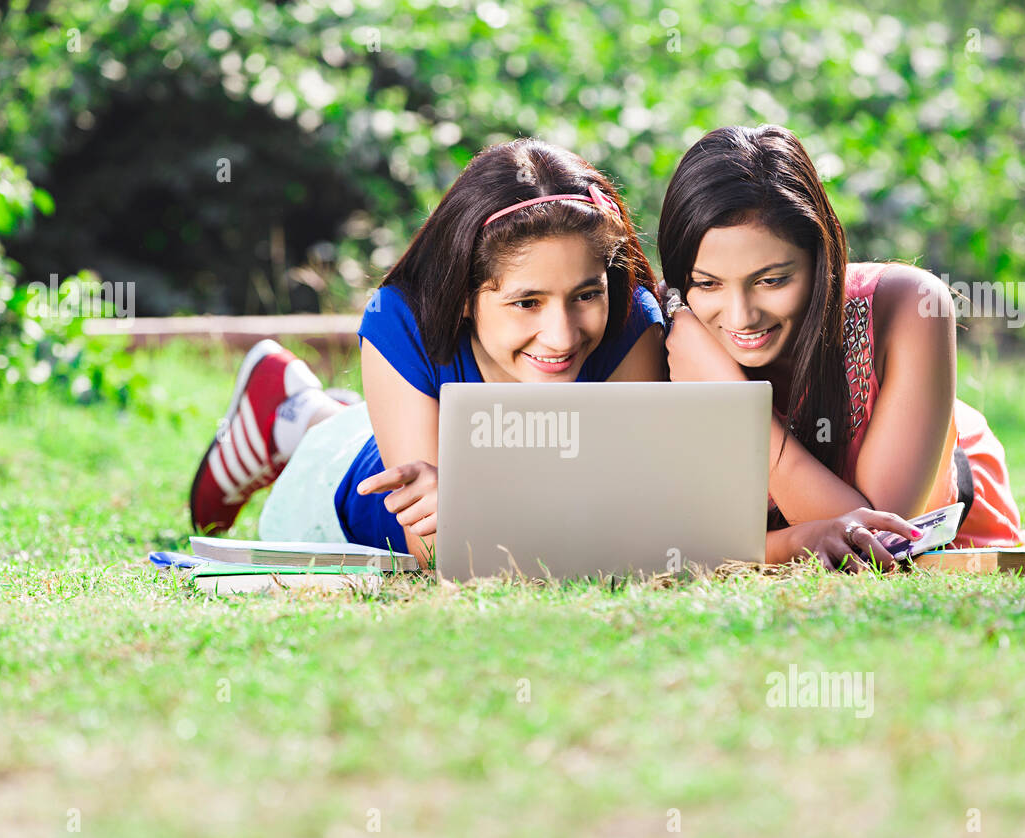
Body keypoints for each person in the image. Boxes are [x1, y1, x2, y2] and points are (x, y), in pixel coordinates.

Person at [188, 138, 667, 568]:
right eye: (526, 303)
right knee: (353, 439)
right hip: (347, 481)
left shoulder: (630, 318)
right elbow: (439, 550)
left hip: (422, 426)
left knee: (368, 420)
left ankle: (307, 409)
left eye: (586, 295)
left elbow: (634, 493)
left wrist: (474, 499)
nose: (562, 337)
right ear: (463, 294)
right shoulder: (401, 319)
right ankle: (295, 416)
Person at [657, 124, 1025, 569]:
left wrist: (738, 407)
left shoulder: (910, 305)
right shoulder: (672, 338)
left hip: (940, 491)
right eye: (708, 284)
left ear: (821, 256)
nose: (741, 317)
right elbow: (668, 541)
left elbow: (877, 547)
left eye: (772, 280)